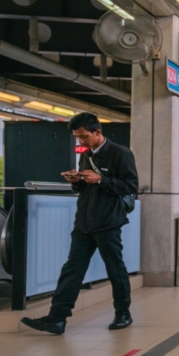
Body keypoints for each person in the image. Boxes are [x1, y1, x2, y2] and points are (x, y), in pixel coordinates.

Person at [21, 113, 139, 335]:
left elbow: (131, 186)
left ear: (97, 132)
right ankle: (57, 318)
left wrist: (102, 180)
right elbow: (86, 188)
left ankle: (123, 313)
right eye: (77, 137)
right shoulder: (86, 156)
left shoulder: (120, 154)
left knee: (115, 269)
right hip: (84, 222)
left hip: (108, 222)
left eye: (84, 136)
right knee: (72, 270)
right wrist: (76, 182)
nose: (81, 141)